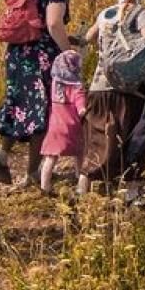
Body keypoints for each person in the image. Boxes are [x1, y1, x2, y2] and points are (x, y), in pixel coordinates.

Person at [0, 0, 73, 189]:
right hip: (41, 57)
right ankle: (33, 172)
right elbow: (54, 24)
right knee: (41, 109)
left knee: (18, 101)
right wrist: (68, 51)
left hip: (18, 54)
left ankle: (2, 152)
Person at [79, 0, 145, 202]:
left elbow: (88, 37)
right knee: (130, 135)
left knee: (97, 135)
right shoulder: (141, 13)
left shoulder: (105, 14)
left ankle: (82, 189)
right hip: (127, 86)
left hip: (99, 84)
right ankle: (131, 191)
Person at [36, 49, 85, 196]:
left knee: (51, 156)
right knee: (79, 153)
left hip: (55, 125)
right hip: (72, 126)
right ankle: (79, 179)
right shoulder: (77, 87)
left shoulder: (55, 85)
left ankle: (45, 186)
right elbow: (81, 108)